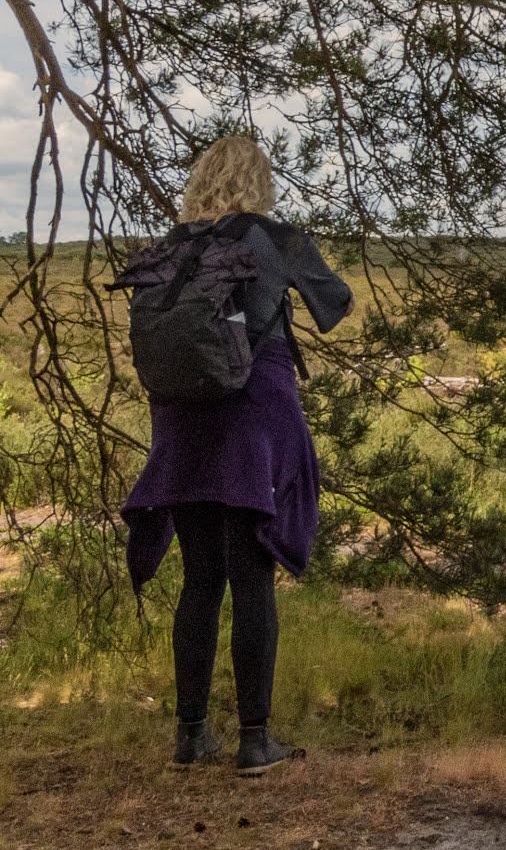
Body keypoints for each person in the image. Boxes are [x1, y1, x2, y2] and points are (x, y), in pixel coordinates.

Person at [121, 135, 353, 774]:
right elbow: (335, 305)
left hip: (182, 422)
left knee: (200, 578)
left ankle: (191, 737)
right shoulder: (276, 240)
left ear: (200, 181)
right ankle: (255, 741)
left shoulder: (173, 247)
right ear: (261, 183)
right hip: (254, 414)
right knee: (252, 576)